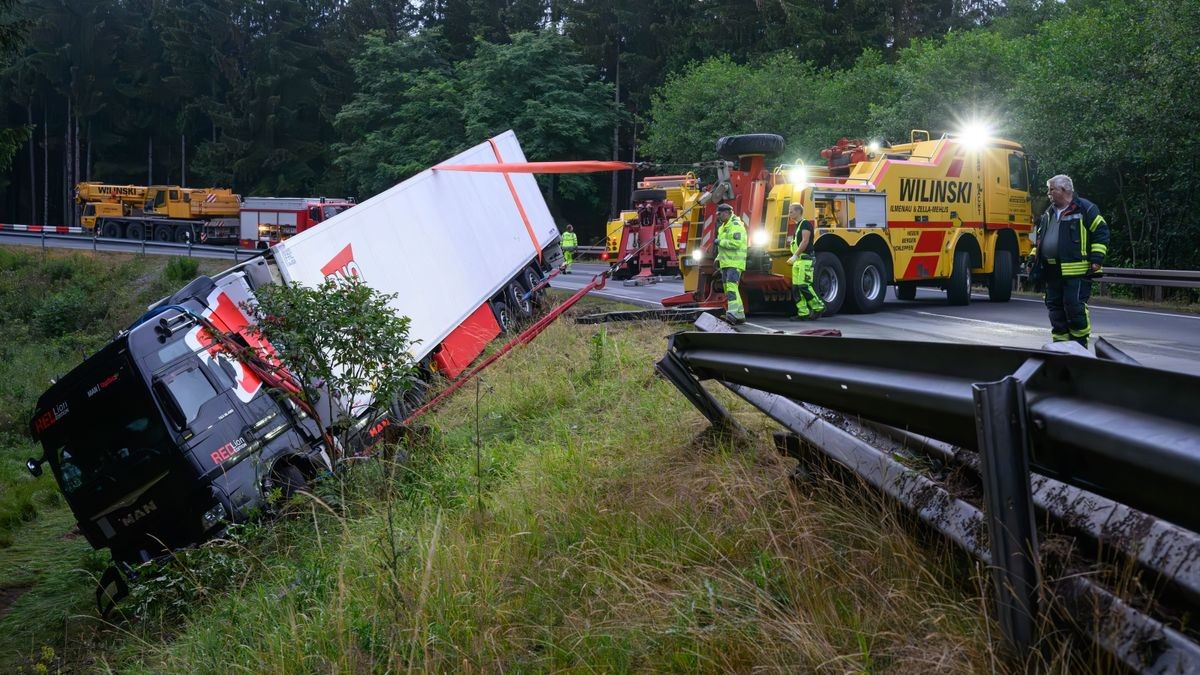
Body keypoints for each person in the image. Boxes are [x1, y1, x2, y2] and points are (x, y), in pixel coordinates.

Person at [1029, 174, 1109, 347]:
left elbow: (1101, 233)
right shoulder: (1048, 213)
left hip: (1077, 272)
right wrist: (1032, 258)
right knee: (1055, 310)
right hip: (1052, 272)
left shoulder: (1085, 209)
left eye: (1052, 190)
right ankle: (1060, 349)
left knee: (1075, 309)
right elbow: (1041, 240)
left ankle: (1079, 347)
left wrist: (1097, 258)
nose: (1048, 193)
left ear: (1064, 190)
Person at [786, 203, 825, 321]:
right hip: (798, 261)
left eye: (791, 211)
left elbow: (805, 241)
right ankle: (803, 313)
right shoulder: (798, 225)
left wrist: (795, 255)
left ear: (798, 212)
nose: (789, 213)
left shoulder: (805, 224)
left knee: (804, 286)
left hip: (805, 259)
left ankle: (818, 307)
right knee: (796, 288)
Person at [714, 203, 747, 324]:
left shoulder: (735, 225)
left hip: (735, 262)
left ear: (727, 213)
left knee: (732, 287)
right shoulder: (724, 226)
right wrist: (718, 258)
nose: (719, 216)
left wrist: (720, 242)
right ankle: (739, 314)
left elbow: (736, 244)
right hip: (726, 262)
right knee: (728, 289)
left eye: (721, 214)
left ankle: (733, 313)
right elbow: (724, 248)